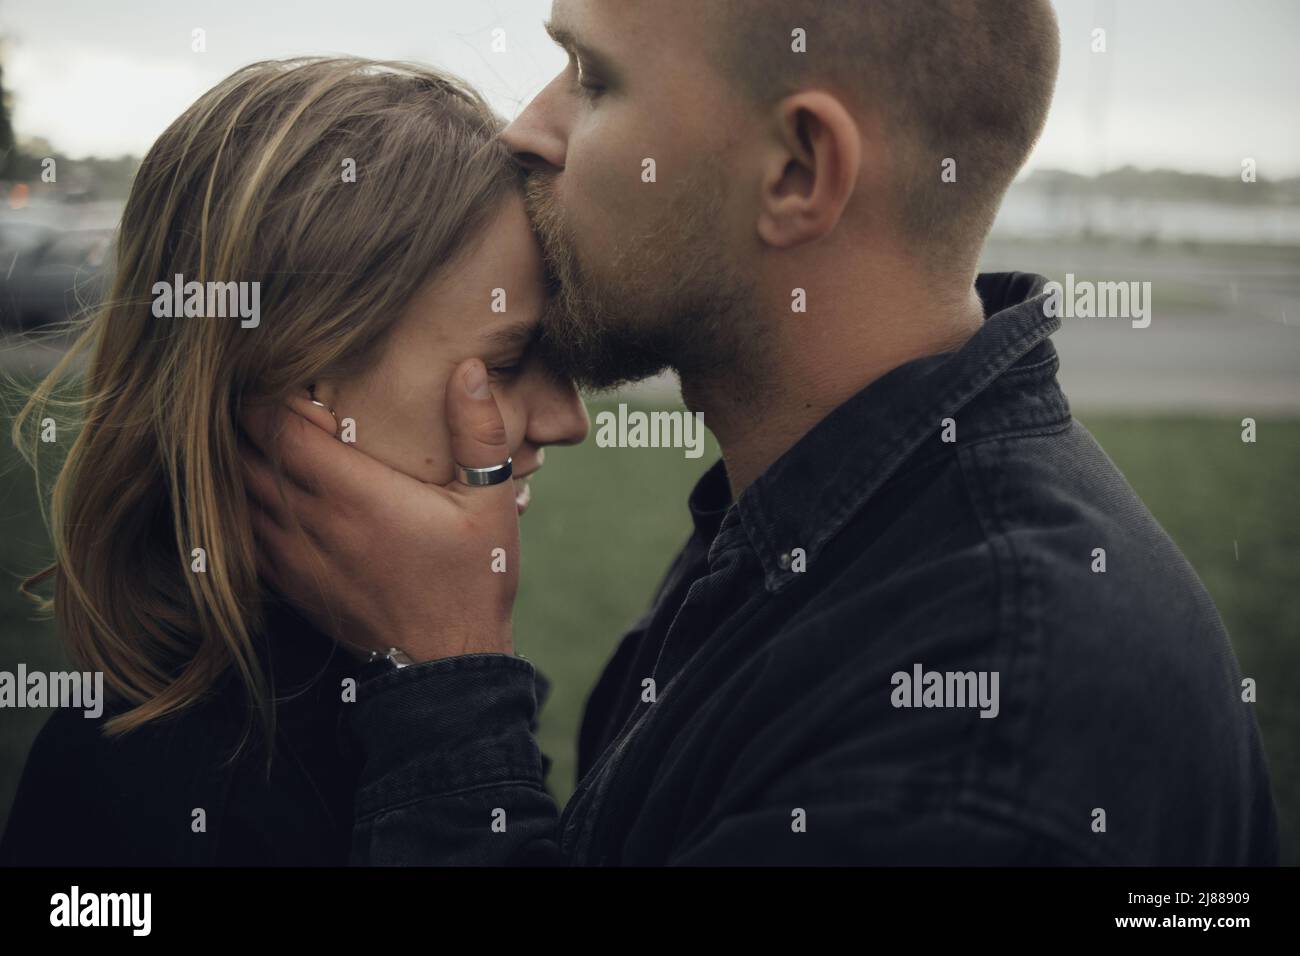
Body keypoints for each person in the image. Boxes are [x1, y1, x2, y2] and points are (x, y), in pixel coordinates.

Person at [246, 0, 1280, 865]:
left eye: (594, 81)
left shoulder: (982, 733)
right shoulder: (839, 513)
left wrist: (449, 683)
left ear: (796, 170)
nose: (526, 126)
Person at [0, 56, 588, 866]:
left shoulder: (392, 696)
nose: (571, 421)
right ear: (305, 386)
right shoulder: (142, 801)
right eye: (513, 359)